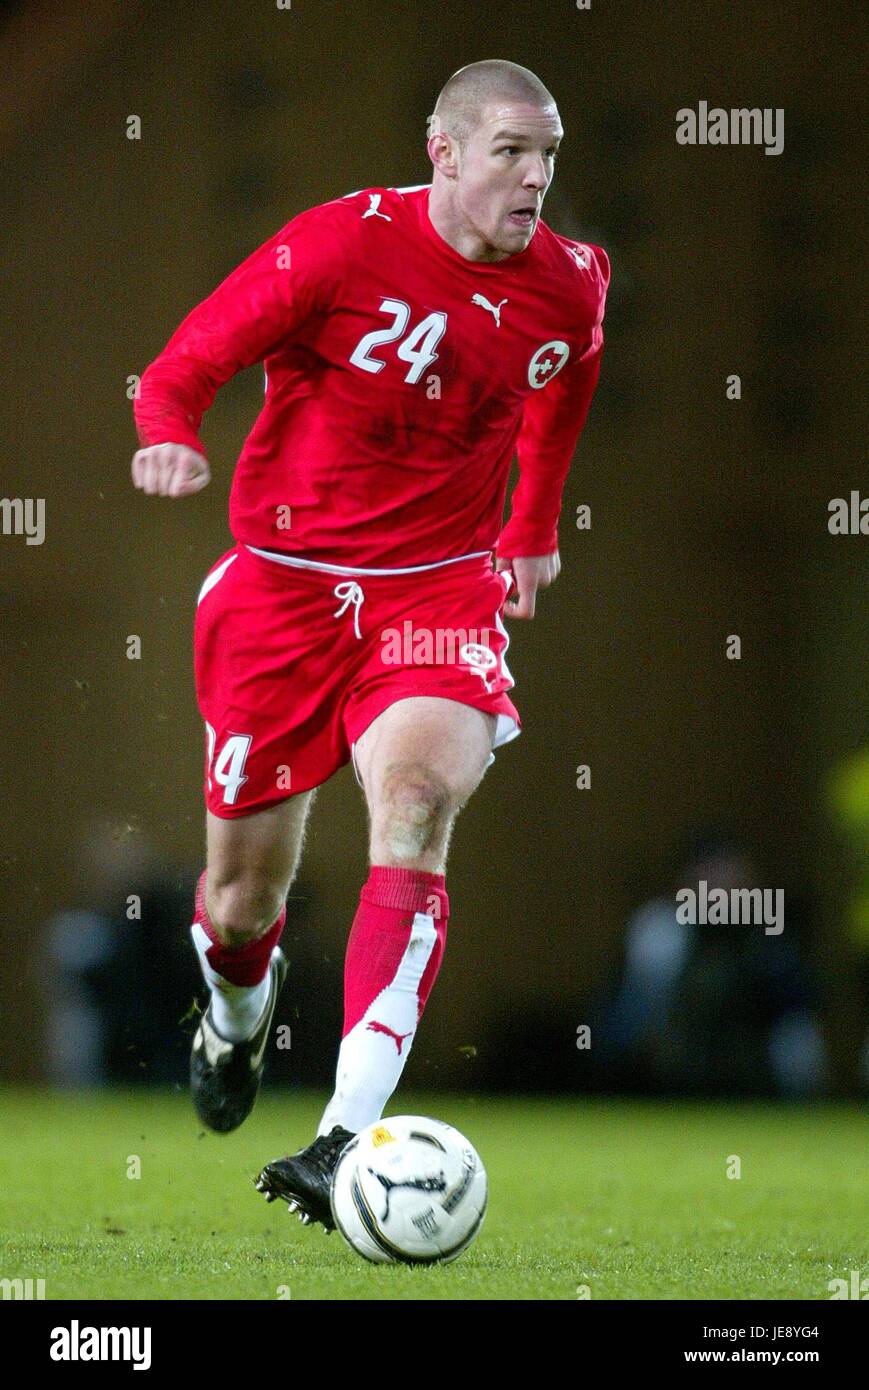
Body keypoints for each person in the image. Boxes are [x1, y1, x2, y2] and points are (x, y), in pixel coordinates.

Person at [130, 58, 610, 1231]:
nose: (535, 177)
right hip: (280, 594)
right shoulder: (338, 246)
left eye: (547, 154)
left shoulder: (569, 285)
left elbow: (564, 386)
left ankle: (344, 1132)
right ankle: (239, 1016)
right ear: (442, 152)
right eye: (510, 151)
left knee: (410, 805)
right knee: (242, 899)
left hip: (436, 594)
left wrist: (531, 527)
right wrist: (166, 431)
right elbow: (193, 353)